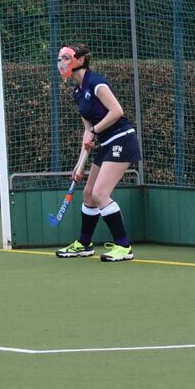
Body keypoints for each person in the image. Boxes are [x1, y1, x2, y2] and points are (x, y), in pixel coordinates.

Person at [54, 43, 141, 262]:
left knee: (100, 194)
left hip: (122, 139)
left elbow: (117, 111)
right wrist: (79, 165)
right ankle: (84, 245)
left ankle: (124, 247)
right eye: (59, 59)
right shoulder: (77, 92)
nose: (61, 63)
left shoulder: (96, 83)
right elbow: (88, 130)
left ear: (80, 60)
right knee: (88, 194)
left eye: (66, 58)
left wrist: (95, 130)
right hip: (106, 143)